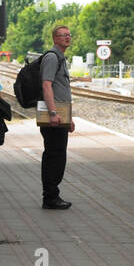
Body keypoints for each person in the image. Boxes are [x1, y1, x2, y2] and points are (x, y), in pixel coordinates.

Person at [39, 25, 75, 210]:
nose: (67, 37)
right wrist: (53, 113)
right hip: (54, 117)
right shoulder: (52, 58)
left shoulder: (61, 58)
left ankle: (52, 194)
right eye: (63, 35)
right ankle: (50, 197)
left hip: (61, 116)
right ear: (55, 38)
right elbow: (47, 86)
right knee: (54, 155)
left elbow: (62, 91)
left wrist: (69, 118)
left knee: (58, 155)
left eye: (68, 35)